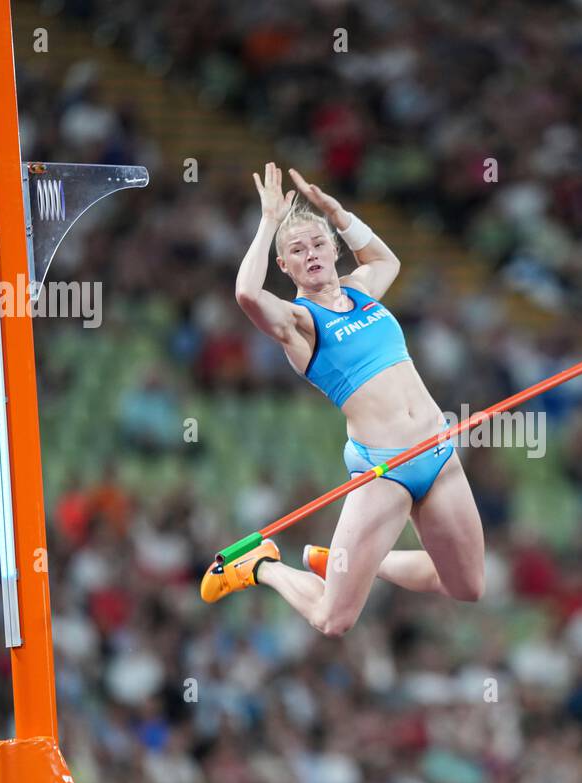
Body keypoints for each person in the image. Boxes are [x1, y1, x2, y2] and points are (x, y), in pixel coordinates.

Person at [200, 164, 485, 636]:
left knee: (465, 584)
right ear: (285, 267)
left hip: (436, 450)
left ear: (334, 250)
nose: (309, 253)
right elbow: (247, 294)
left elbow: (387, 263)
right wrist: (270, 220)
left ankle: (348, 562)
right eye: (296, 250)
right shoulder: (301, 322)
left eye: (317, 243)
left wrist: (340, 215)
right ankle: (261, 566)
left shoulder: (360, 290)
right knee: (333, 619)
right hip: (385, 469)